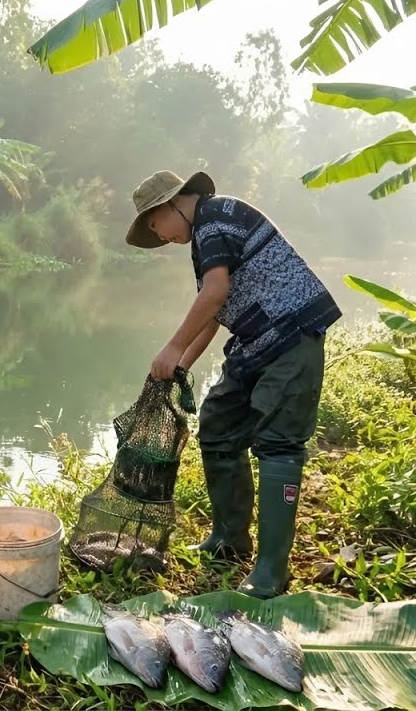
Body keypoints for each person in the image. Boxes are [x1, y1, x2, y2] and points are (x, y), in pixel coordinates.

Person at [125, 169, 342, 599]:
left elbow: (215, 293)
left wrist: (170, 348)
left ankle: (271, 572)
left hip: (292, 335)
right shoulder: (206, 235)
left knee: (278, 443)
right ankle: (229, 538)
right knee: (219, 423)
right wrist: (181, 365)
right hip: (255, 344)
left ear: (171, 205)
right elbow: (212, 312)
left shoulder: (215, 218)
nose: (160, 235)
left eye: (155, 225)